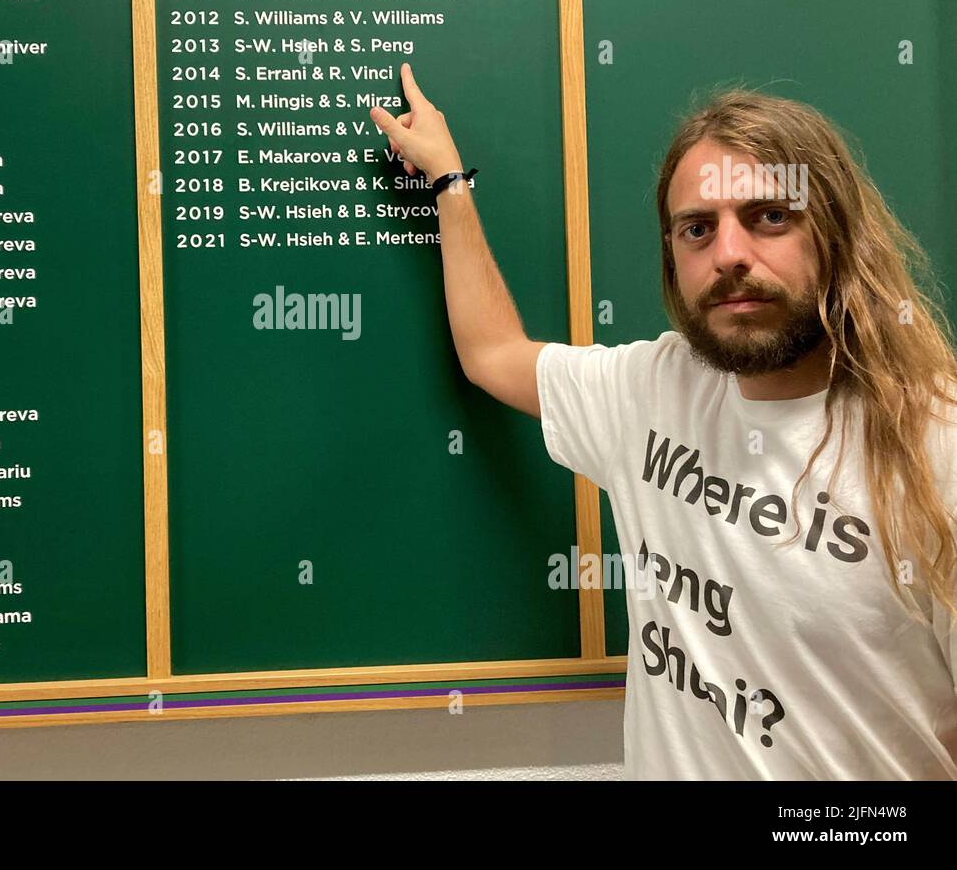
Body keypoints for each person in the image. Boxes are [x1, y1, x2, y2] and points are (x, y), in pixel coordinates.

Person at [370, 63, 957, 780]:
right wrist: (448, 183)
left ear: (834, 233)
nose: (730, 255)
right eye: (698, 229)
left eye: (769, 216)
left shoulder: (935, 445)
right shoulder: (657, 390)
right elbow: (493, 354)